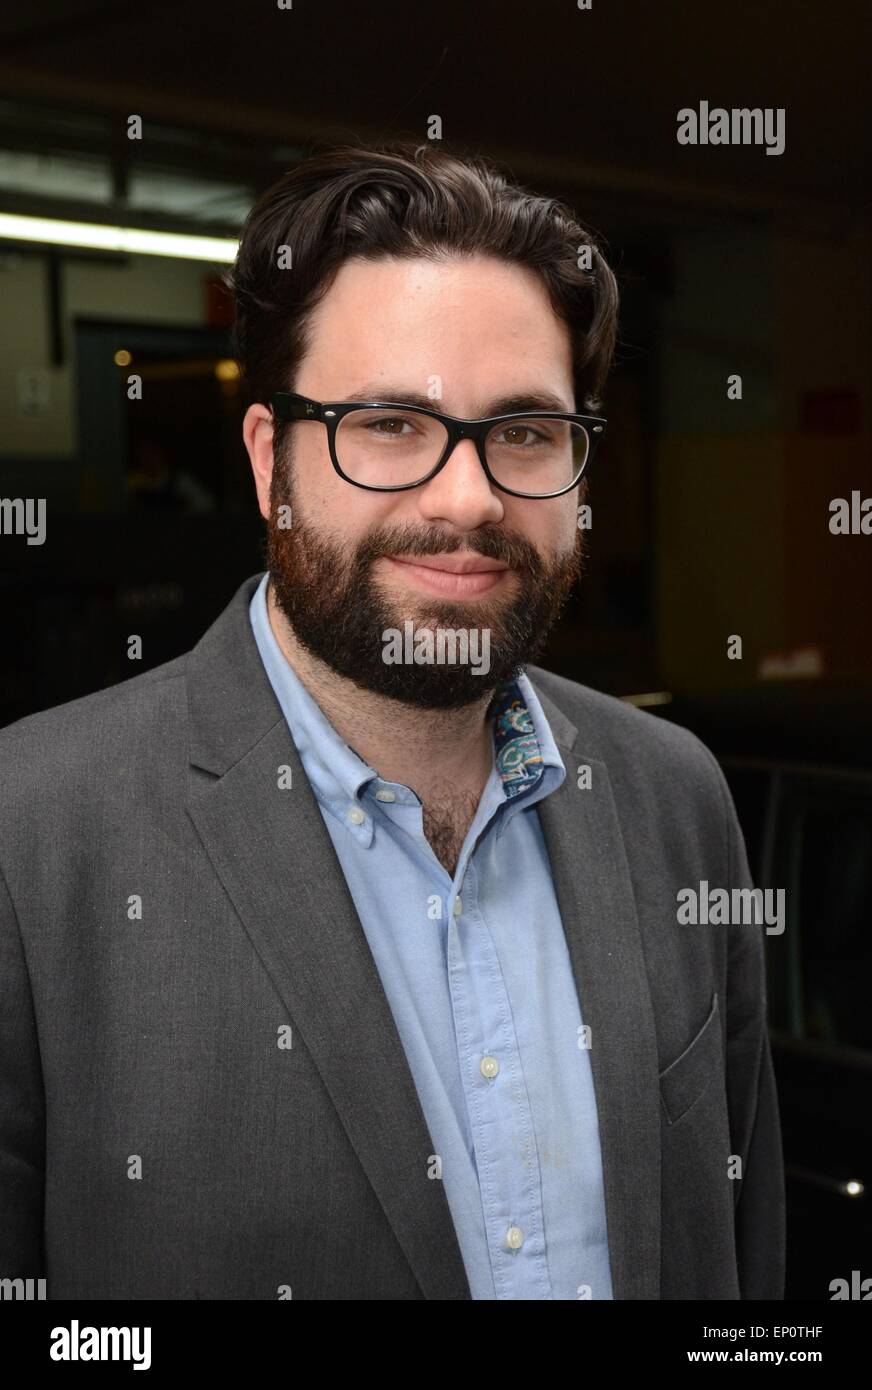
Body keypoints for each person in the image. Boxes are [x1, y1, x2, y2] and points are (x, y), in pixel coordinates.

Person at [0, 140, 784, 1300]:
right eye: (387, 425)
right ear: (270, 457)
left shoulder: (672, 794)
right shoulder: (34, 832)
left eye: (523, 432)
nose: (465, 497)